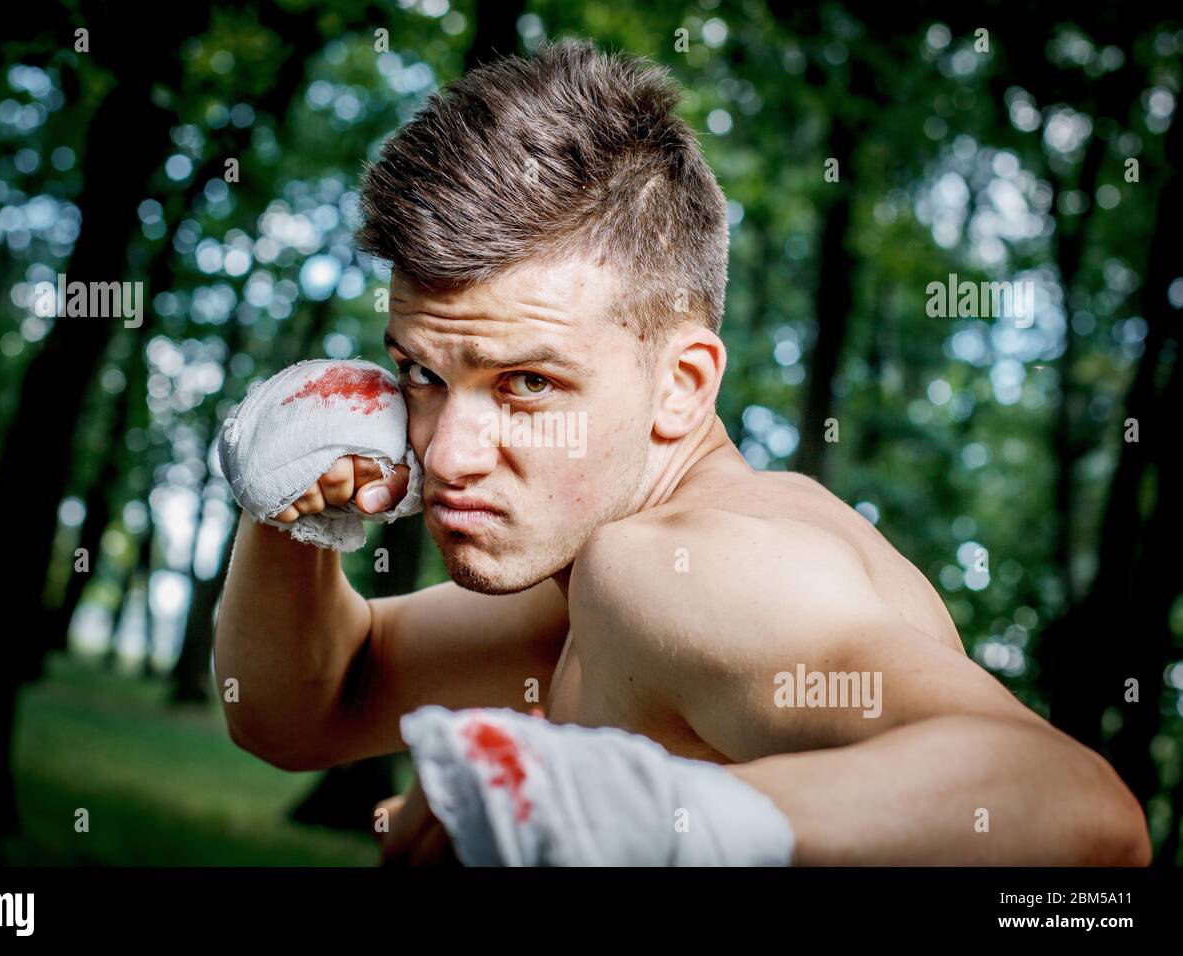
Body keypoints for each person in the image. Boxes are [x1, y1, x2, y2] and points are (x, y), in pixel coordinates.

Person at [214, 39, 1150, 866]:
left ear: (683, 385)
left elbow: (1081, 810)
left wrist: (646, 817)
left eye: (527, 385)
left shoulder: (671, 572)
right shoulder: (587, 583)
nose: (448, 456)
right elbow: (311, 707)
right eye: (421, 373)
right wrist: (296, 504)